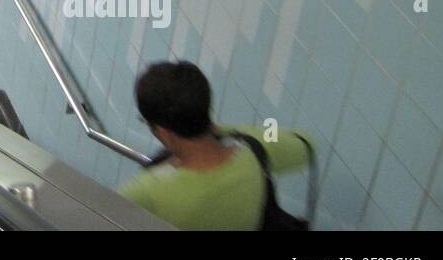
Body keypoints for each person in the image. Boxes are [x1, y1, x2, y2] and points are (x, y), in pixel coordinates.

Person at [118, 61, 314, 230]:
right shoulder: (255, 153)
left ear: (162, 131)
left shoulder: (145, 192)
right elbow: (305, 143)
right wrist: (225, 130)